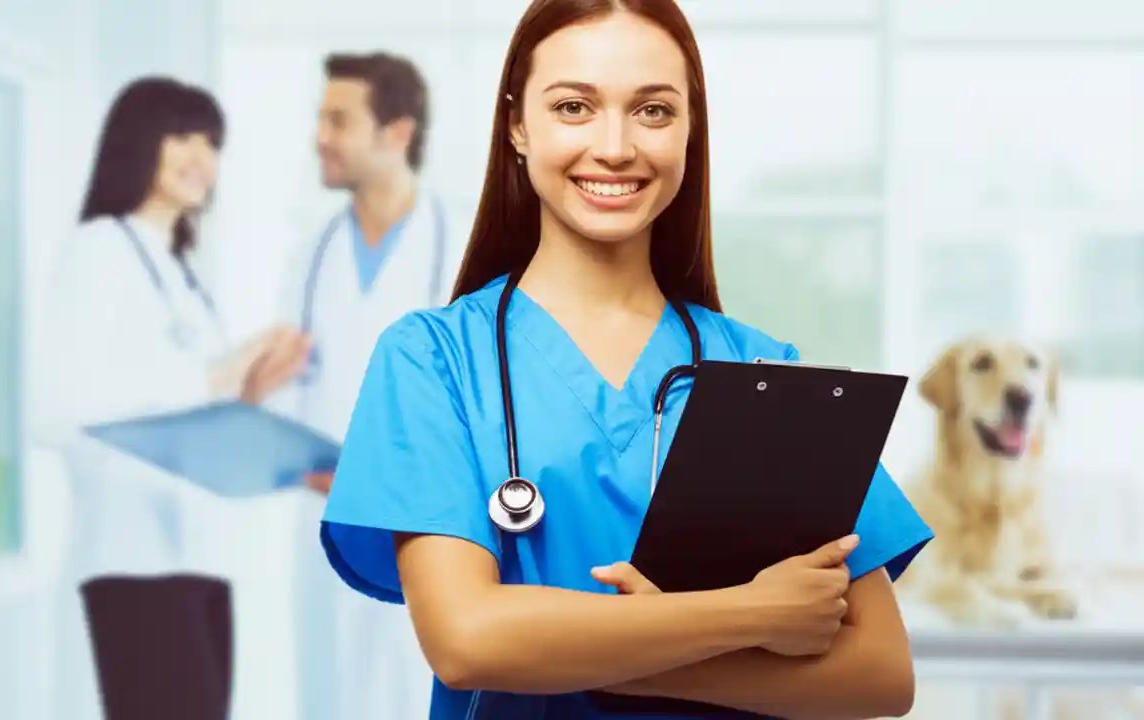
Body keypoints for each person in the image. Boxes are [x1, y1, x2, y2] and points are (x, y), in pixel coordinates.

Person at [319, 1, 934, 718]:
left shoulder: (768, 372)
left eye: (653, 111)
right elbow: (467, 638)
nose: (614, 147)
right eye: (574, 106)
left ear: (689, 130)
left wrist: (634, 667)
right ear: (518, 125)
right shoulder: (432, 359)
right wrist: (754, 614)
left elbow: (882, 674)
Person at [34, 76, 310, 720]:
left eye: (212, 143)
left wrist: (248, 392)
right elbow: (58, 410)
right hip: (134, 561)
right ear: (138, 142)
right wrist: (213, 377)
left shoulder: (184, 273)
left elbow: (188, 410)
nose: (201, 158)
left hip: (201, 559)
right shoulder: (97, 250)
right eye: (182, 135)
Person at [271, 51, 455, 720]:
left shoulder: (458, 243)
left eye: (338, 120)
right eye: (321, 119)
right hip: (325, 512)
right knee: (326, 691)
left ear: (396, 134)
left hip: (423, 518)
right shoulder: (311, 252)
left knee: (418, 687)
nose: (321, 136)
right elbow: (292, 383)